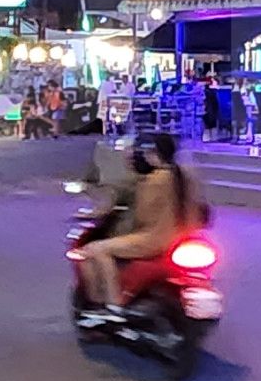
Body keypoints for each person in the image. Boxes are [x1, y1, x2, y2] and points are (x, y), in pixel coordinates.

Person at [79, 134, 186, 323]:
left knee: (96, 249)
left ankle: (113, 307)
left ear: (154, 154)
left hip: (151, 238)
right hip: (172, 236)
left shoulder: (154, 180)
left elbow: (142, 215)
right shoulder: (176, 175)